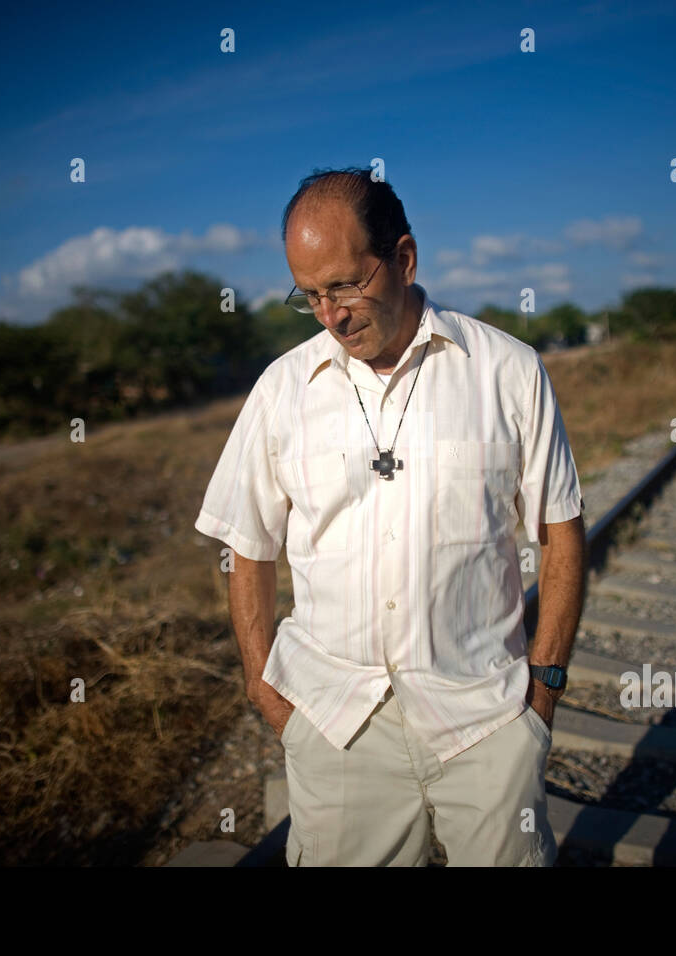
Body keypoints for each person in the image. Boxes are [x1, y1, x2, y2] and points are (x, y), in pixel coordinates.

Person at [195, 167, 587, 866]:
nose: (331, 315)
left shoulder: (508, 371)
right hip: (336, 723)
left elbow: (561, 534)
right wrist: (263, 686)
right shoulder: (281, 390)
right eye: (310, 295)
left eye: (346, 285)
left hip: (485, 718)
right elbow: (245, 546)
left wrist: (545, 683)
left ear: (403, 258)